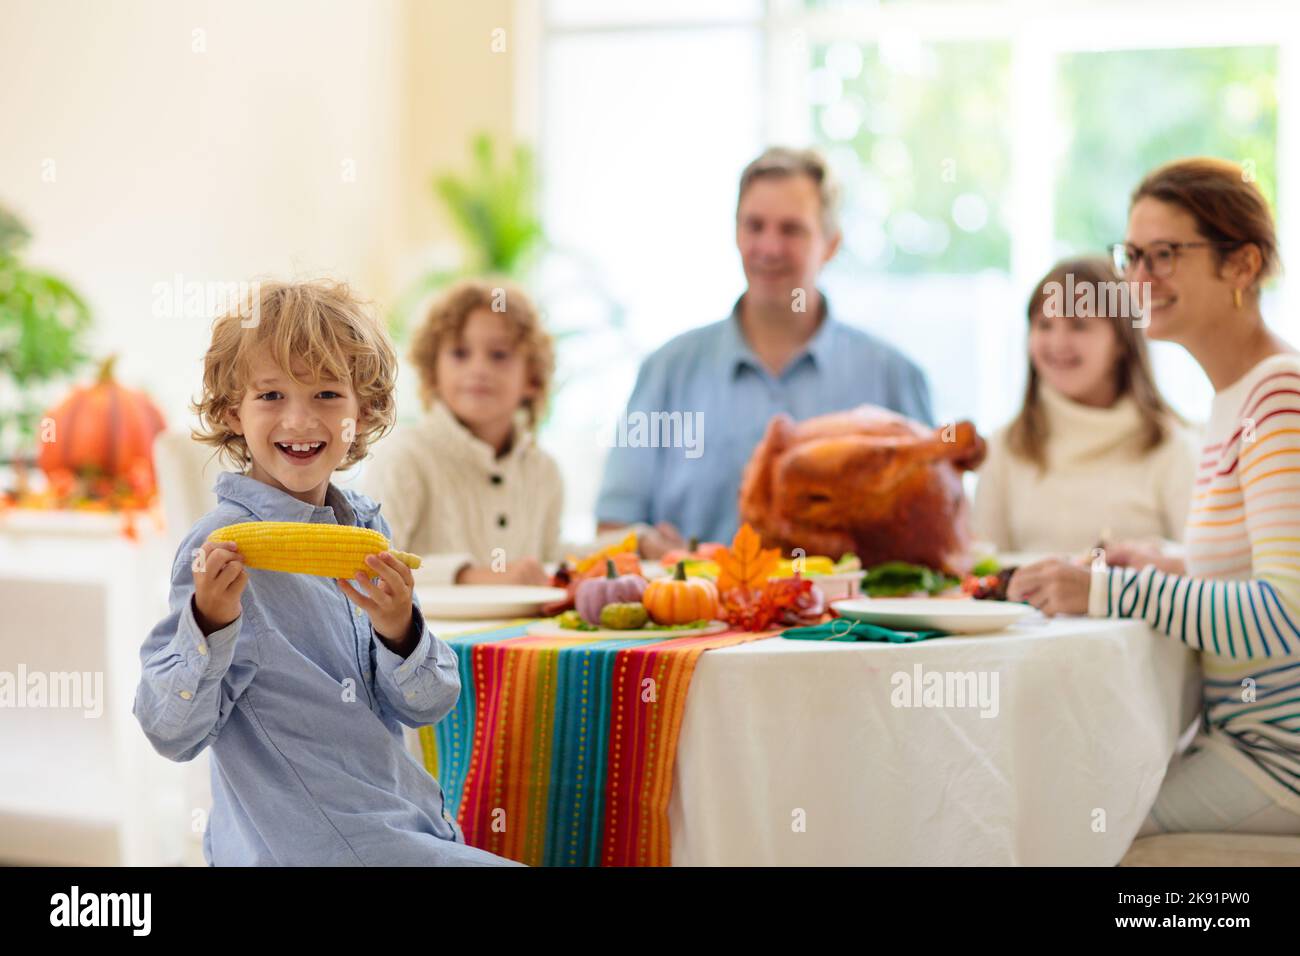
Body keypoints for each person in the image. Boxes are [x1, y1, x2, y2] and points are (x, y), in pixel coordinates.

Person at [134, 279, 516, 864]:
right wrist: (207, 622)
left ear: (362, 415)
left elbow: (427, 704)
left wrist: (400, 630)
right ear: (231, 412)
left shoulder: (364, 531)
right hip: (310, 847)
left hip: (401, 825)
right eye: (270, 396)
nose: (299, 418)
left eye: (327, 394)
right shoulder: (217, 552)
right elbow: (171, 731)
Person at [1008, 159, 1300, 835]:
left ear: (1242, 266)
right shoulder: (1235, 398)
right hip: (1243, 744)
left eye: (1165, 255)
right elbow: (1258, 576)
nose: (1138, 281)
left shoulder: (1277, 394)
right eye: (1132, 255)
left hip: (1278, 763)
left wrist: (1103, 591)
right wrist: (1170, 562)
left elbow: (1285, 616)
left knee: (1065, 828)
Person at [595, 146, 933, 556]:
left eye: (791, 230)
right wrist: (651, 549)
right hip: (700, 613)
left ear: (831, 244)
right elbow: (613, 529)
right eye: (754, 226)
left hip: (850, 619)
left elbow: (933, 530)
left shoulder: (893, 377)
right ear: (736, 233)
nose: (769, 248)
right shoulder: (665, 372)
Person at [973, 256, 1198, 553]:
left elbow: (1205, 572)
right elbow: (982, 572)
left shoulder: (1173, 448)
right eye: (1044, 325)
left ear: (1121, 340)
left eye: (1079, 325)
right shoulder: (1005, 448)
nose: (1058, 342)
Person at [361, 279, 562, 585]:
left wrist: (631, 542)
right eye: (459, 353)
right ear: (433, 373)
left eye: (499, 355)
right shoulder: (405, 456)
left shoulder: (544, 470)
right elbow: (370, 565)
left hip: (523, 631)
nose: (479, 368)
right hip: (428, 632)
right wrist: (470, 576)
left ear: (532, 378)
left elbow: (550, 558)